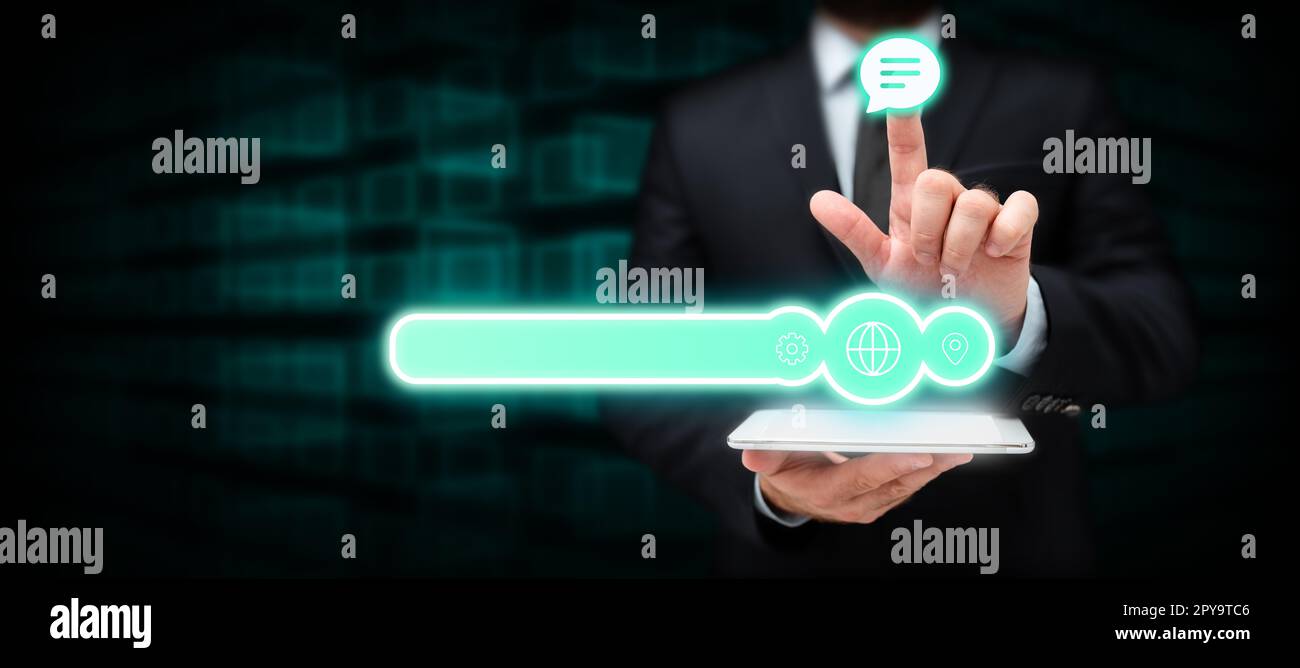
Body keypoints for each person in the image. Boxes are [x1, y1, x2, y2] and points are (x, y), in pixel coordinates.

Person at [601, 1, 1196, 576]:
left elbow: (1163, 330)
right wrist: (767, 486)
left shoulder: (1061, 97)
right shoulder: (698, 122)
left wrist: (1015, 315)